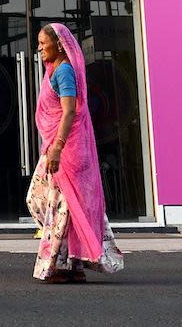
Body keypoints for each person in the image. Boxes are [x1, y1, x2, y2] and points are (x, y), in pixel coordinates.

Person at [27, 22, 124, 283]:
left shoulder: (64, 72)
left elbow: (71, 110)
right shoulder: (54, 70)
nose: (39, 48)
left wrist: (57, 147)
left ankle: (61, 266)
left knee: (61, 208)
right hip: (60, 149)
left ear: (58, 44)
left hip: (66, 152)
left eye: (42, 42)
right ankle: (73, 264)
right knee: (49, 203)